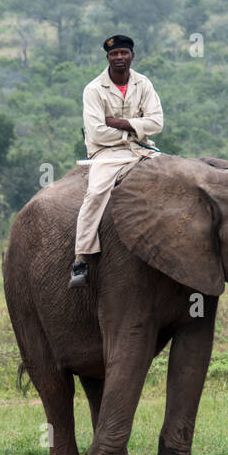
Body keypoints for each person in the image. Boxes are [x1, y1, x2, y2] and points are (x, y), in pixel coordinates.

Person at [69, 34, 163, 287]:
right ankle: (81, 257)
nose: (119, 58)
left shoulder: (143, 84)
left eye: (123, 53)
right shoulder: (94, 89)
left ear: (132, 56)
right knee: (97, 192)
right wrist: (135, 127)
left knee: (178, 178)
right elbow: (98, 131)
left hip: (144, 149)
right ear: (108, 58)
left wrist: (121, 123)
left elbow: (157, 123)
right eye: (114, 54)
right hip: (106, 152)